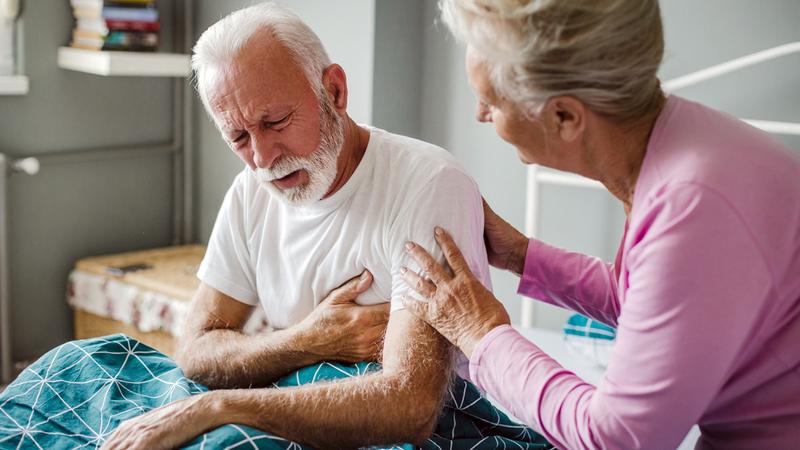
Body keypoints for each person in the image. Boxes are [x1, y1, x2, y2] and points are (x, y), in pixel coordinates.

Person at [399, 1, 800, 449]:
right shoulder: (684, 139)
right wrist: (521, 254)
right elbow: (652, 304)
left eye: (491, 101)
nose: (480, 114)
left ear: (564, 117)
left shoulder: (693, 207)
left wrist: (483, 335)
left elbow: (615, 438)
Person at [102, 3, 492, 449]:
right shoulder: (251, 192)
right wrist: (307, 341)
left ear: (335, 90)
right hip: (289, 396)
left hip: (407, 427)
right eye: (239, 138)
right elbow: (193, 351)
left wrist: (220, 406)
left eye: (275, 122)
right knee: (82, 363)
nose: (264, 159)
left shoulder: (426, 185)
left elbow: (410, 404)